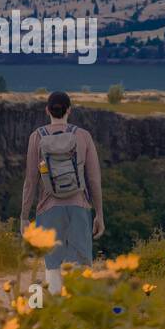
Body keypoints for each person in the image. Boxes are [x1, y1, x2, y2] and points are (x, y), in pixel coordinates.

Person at [19, 91, 104, 294]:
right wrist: (99, 214)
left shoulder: (36, 137)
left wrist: (24, 216)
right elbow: (93, 180)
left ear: (47, 110)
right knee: (81, 261)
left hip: (47, 208)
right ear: (69, 110)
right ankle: (78, 308)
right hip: (79, 206)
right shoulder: (83, 136)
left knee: (52, 263)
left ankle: (56, 305)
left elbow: (30, 181)